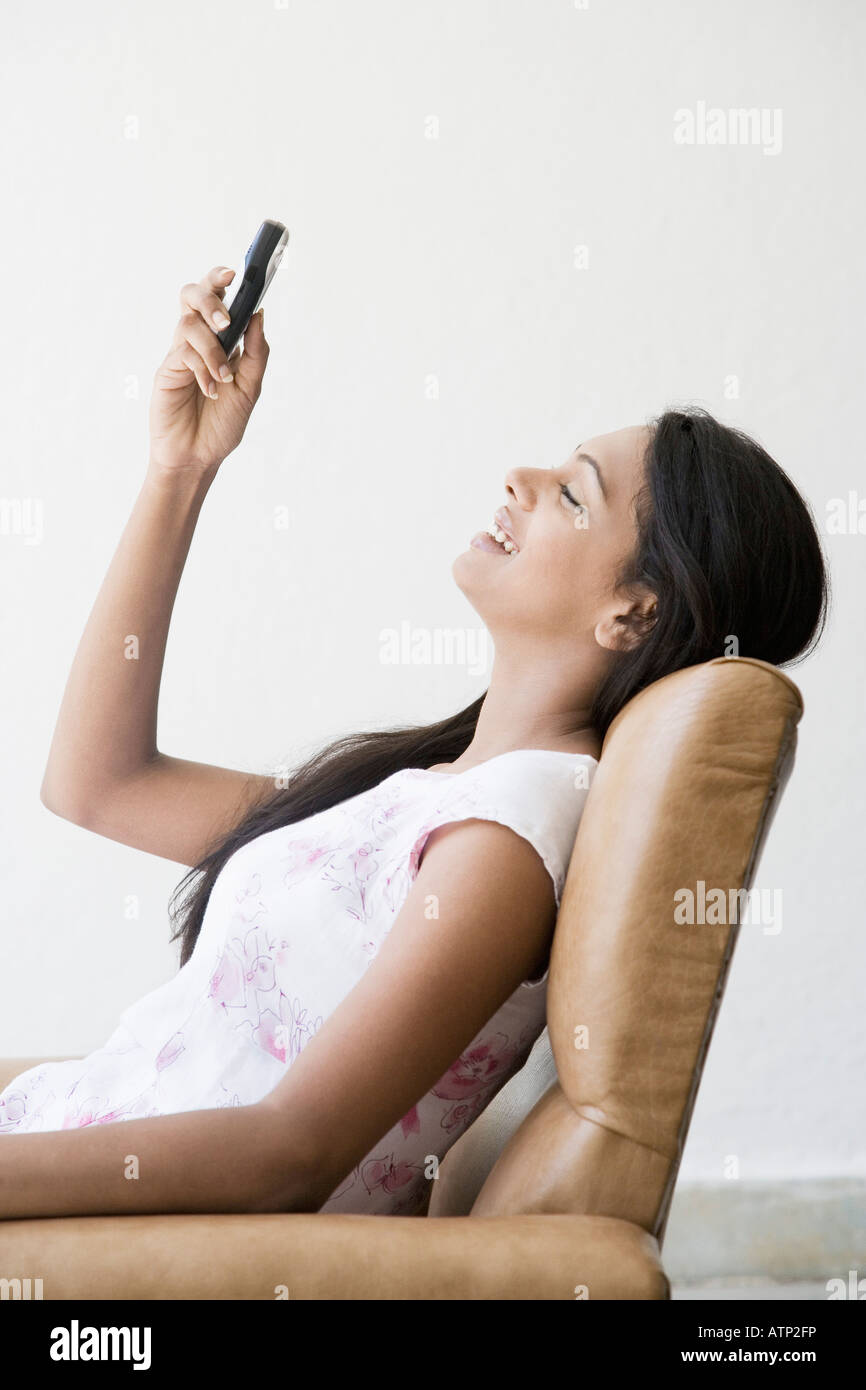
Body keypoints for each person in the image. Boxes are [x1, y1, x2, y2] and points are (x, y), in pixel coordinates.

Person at [0, 266, 828, 1220]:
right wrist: (179, 469)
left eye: (572, 495)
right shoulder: (433, 791)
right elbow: (96, 784)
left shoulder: (503, 844)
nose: (521, 479)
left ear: (633, 614)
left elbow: (290, 1154)